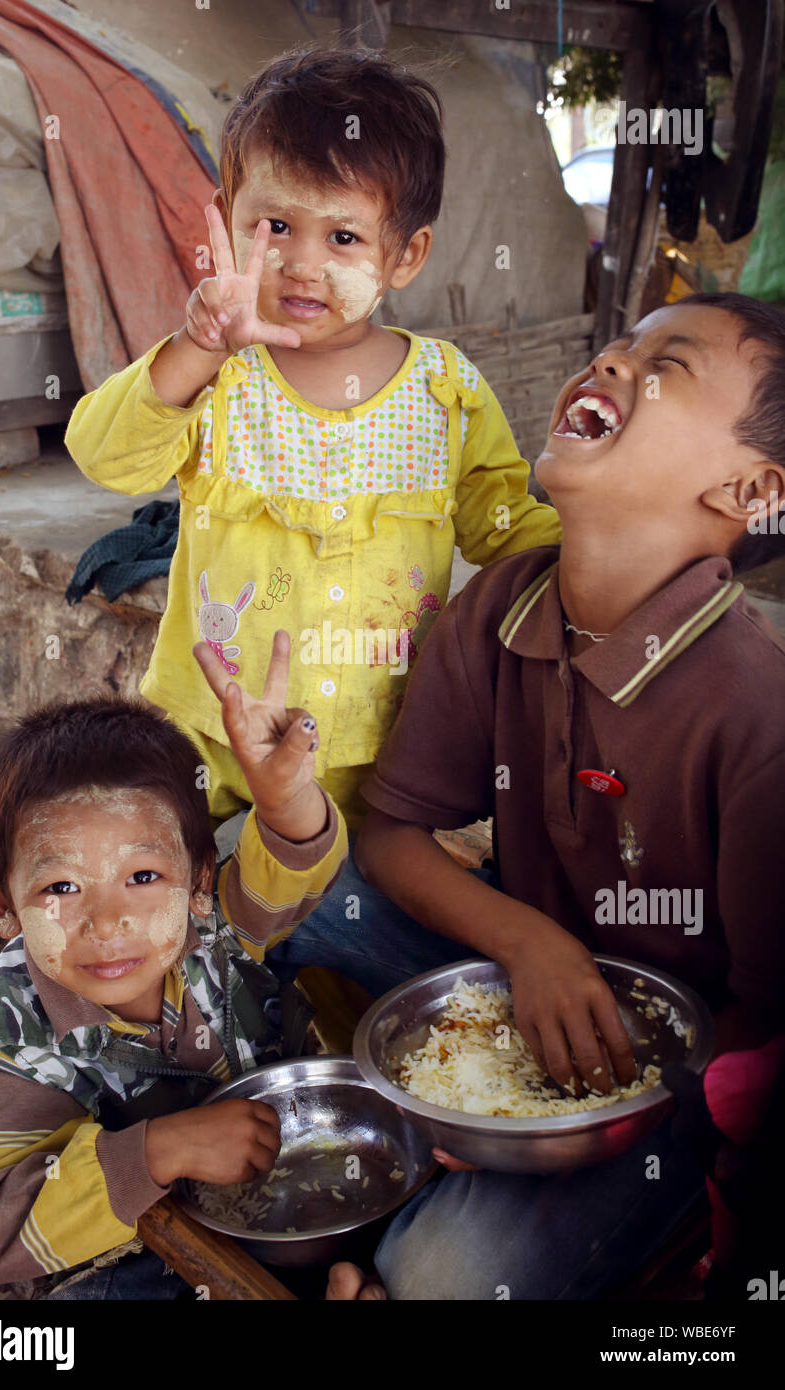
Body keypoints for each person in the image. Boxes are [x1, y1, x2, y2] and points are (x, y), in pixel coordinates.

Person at [320, 293, 785, 1299]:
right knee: (281, 868)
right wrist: (530, 946)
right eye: (618, 342)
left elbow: (763, 1029)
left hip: (668, 1081)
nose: (615, 360)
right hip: (508, 965)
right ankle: (349, 1114)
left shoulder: (756, 714)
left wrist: (547, 1120)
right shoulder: (503, 603)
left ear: (748, 489)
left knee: (441, 1274)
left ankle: (449, 1187)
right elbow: (390, 831)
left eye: (667, 363)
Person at [65, 46, 561, 838]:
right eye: (274, 225)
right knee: (211, 909)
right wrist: (198, 346)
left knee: (349, 926)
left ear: (406, 255)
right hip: (212, 735)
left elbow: (507, 533)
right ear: (226, 215)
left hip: (382, 745)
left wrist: (610, 569)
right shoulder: (223, 379)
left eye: (343, 238)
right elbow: (103, 454)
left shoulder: (447, 391)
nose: (301, 264)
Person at [0, 636, 346, 1298]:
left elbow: (293, 864)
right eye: (62, 888)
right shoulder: (14, 1038)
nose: (108, 922)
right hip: (129, 1268)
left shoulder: (210, 929)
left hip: (273, 1208)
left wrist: (283, 801)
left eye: (142, 875)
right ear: (2, 903)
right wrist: (162, 1149)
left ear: (196, 884)